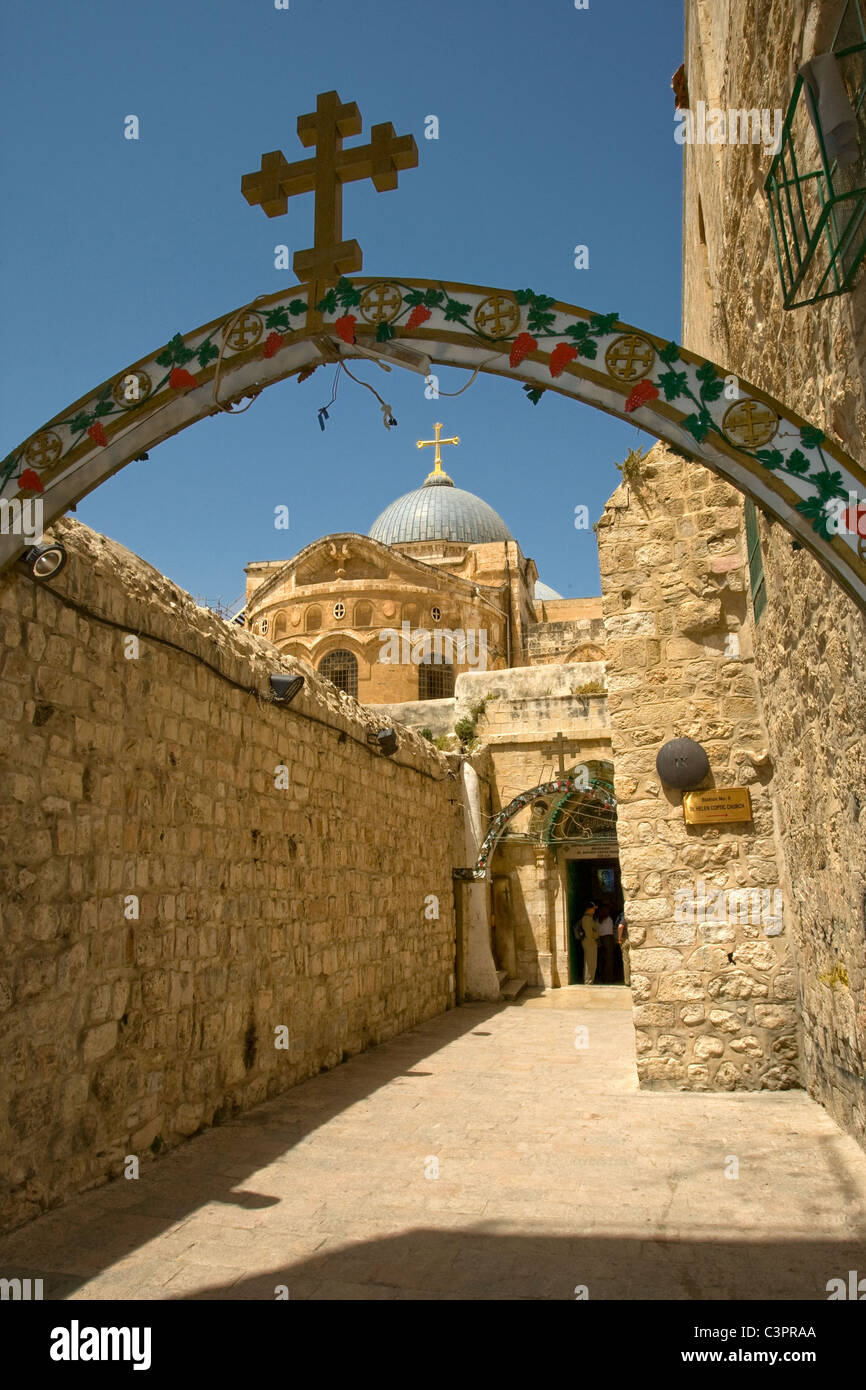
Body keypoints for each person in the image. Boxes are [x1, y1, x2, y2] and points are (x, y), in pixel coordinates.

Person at [578, 900, 599, 984]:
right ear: (589, 909)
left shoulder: (590, 918)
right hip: (590, 942)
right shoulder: (586, 919)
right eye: (593, 908)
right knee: (590, 962)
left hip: (591, 942)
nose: (594, 910)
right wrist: (593, 940)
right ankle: (588, 981)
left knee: (591, 962)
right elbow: (588, 933)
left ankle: (589, 980)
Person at [595, 900, 616, 983]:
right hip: (608, 939)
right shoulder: (608, 918)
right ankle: (609, 979)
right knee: (609, 960)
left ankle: (602, 978)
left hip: (600, 939)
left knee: (602, 959)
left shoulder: (597, 919)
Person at [616, 904, 630, 986]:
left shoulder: (624, 915)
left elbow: (620, 926)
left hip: (625, 939)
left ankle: (628, 981)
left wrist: (619, 938)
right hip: (632, 939)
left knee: (626, 961)